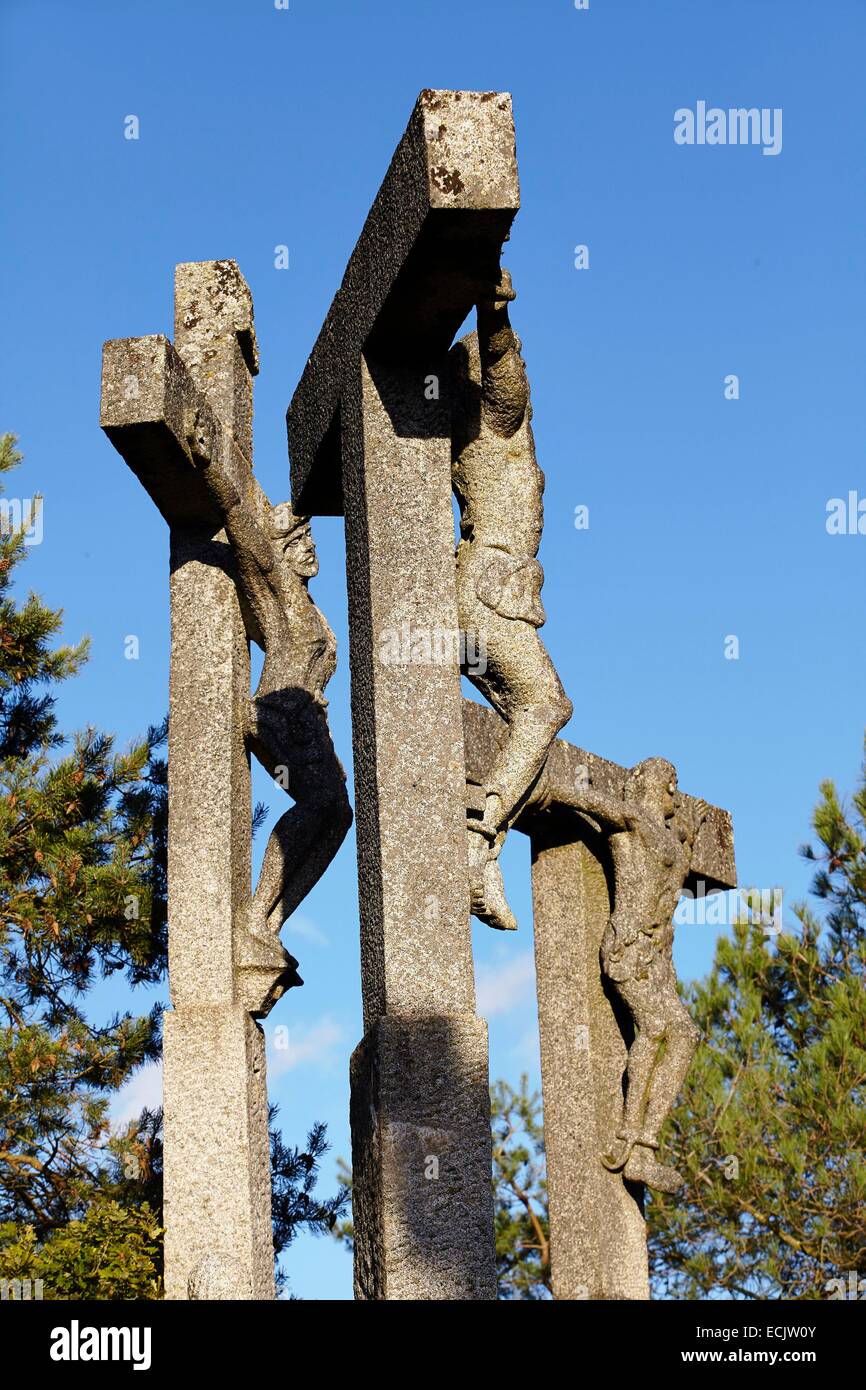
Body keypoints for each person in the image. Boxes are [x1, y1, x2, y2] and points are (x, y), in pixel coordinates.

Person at [186, 408, 352, 996]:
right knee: (324, 803)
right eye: (298, 538)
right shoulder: (277, 589)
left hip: (307, 719)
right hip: (278, 711)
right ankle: (256, 916)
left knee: (338, 813)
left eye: (311, 539)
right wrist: (211, 461)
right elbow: (244, 525)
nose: (309, 548)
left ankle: (271, 920)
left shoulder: (316, 615)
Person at [449, 268, 572, 932]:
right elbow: (499, 361)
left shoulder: (460, 446)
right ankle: (478, 841)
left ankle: (480, 826)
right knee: (546, 704)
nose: (523, 366)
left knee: (519, 716)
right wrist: (490, 308)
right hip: (490, 590)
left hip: (474, 589)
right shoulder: (497, 421)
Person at [565, 758, 707, 1192]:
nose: (675, 795)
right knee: (658, 1027)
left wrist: (688, 832)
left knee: (685, 1035)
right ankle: (629, 1136)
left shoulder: (670, 836)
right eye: (671, 785)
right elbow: (581, 797)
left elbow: (675, 864)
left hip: (659, 957)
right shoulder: (630, 819)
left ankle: (646, 1144)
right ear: (651, 785)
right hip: (628, 949)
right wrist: (545, 786)